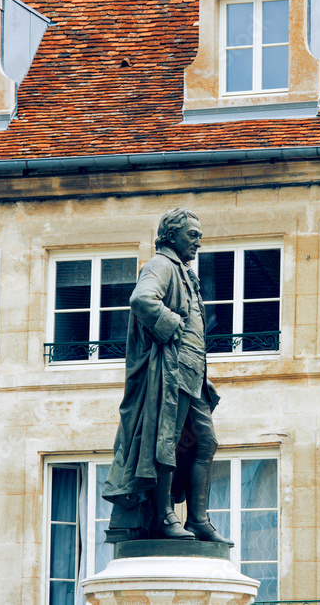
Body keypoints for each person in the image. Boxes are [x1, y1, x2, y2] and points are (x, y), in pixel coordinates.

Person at [101, 208, 232, 544]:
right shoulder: (161, 264)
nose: (199, 242)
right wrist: (170, 325)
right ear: (172, 235)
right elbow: (142, 299)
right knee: (166, 445)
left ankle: (199, 520)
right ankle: (163, 517)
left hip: (192, 375)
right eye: (193, 235)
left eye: (200, 236)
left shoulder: (184, 271)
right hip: (170, 375)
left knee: (206, 443)